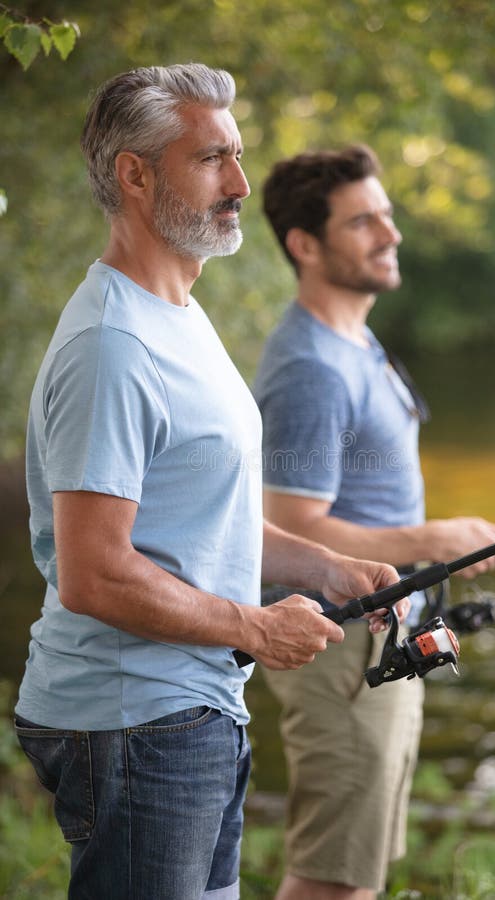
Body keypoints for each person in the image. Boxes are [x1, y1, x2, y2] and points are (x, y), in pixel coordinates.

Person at [13, 70, 405, 900]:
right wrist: (255, 628)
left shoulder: (181, 317)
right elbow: (93, 571)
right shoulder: (113, 346)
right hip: (135, 717)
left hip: (191, 710)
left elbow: (203, 516)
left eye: (238, 156)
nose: (238, 184)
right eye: (212, 159)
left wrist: (328, 568)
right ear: (135, 173)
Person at [253, 144, 495, 900]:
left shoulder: (355, 341)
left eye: (388, 215)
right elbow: (290, 529)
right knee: (330, 881)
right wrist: (435, 541)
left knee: (358, 874)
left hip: (387, 639)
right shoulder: (311, 367)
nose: (389, 234)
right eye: (362, 221)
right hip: (341, 652)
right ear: (305, 245)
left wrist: (434, 553)